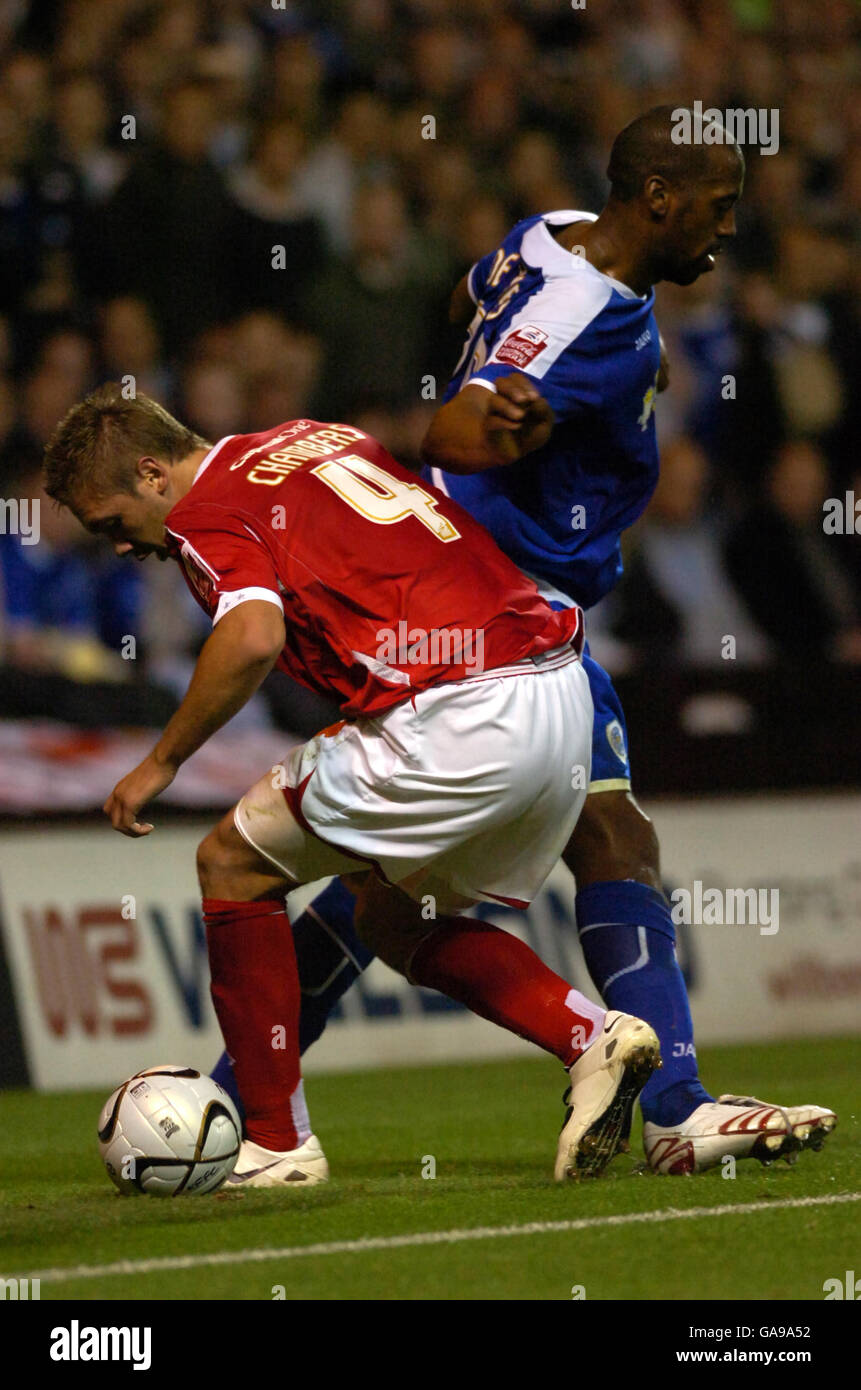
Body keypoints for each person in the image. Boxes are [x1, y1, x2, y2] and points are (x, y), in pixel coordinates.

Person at [246, 106, 835, 1176]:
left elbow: (489, 285)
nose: (728, 228)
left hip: (491, 602)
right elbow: (455, 424)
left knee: (414, 888)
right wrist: (497, 422)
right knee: (580, 851)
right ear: (657, 199)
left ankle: (243, 1099)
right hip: (496, 613)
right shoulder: (584, 308)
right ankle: (678, 1106)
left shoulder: (552, 234)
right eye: (718, 206)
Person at [43, 385, 664, 1187]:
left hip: (458, 708)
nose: (123, 547)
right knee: (393, 921)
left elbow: (252, 636)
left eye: (114, 525)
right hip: (553, 692)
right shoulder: (310, 434)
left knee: (230, 864)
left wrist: (161, 760)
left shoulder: (205, 512)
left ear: (155, 475)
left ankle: (274, 1143)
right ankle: (592, 1041)